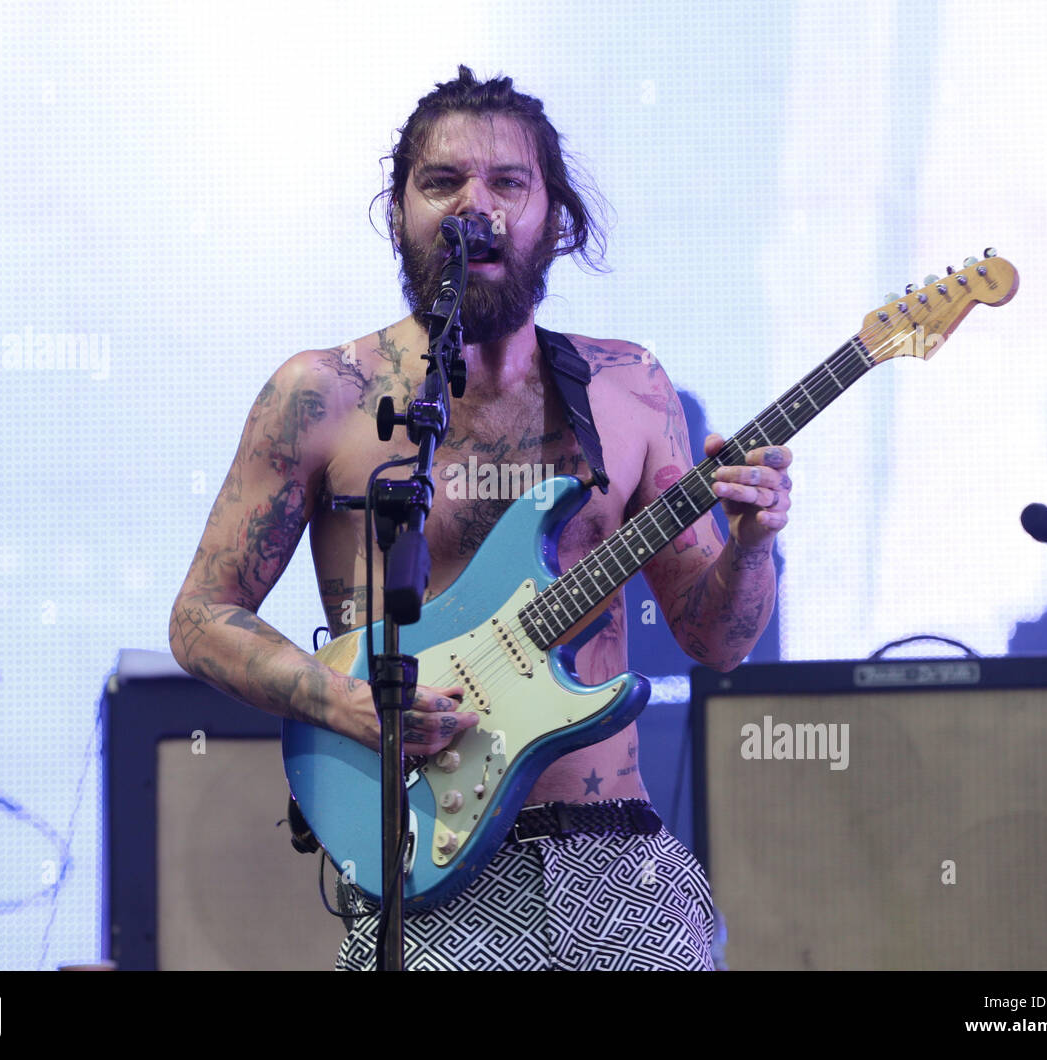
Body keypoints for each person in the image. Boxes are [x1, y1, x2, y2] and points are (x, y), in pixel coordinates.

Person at [168, 65, 792, 970]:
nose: (476, 208)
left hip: (620, 865)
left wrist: (754, 544)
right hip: (425, 868)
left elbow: (716, 638)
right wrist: (349, 704)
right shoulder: (322, 396)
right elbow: (200, 617)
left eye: (509, 183)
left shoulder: (631, 390)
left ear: (556, 218)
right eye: (442, 183)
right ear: (398, 214)